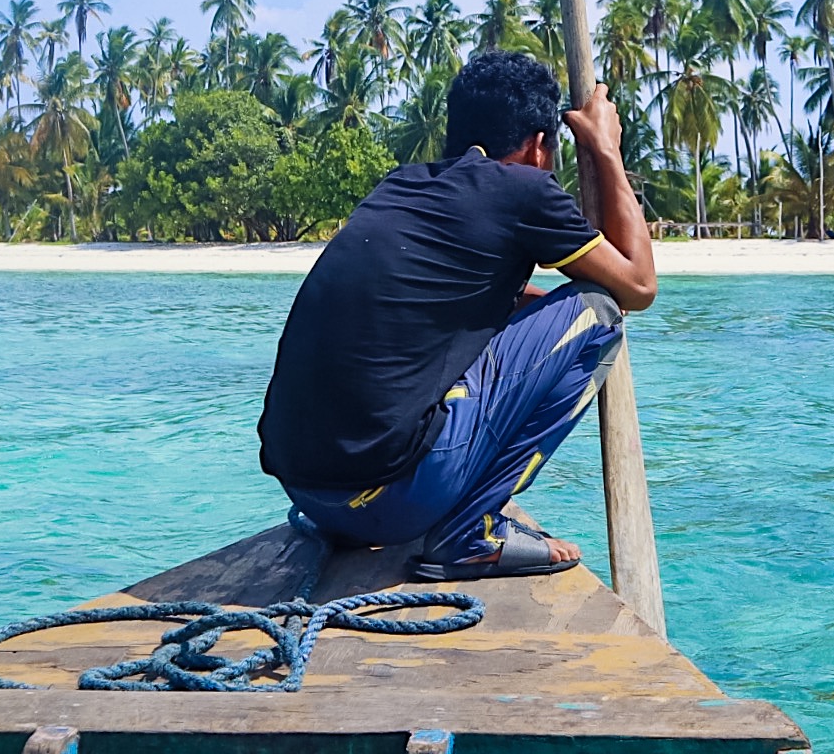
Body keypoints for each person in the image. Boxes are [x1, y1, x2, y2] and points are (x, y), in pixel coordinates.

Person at [257, 50, 657, 580]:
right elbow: (637, 286)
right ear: (539, 145)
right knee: (599, 314)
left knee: (568, 312)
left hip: (312, 497)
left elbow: (463, 303)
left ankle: (376, 517)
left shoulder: (400, 186)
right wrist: (606, 150)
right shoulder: (525, 190)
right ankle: (471, 535)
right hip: (389, 503)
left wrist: (543, 318)